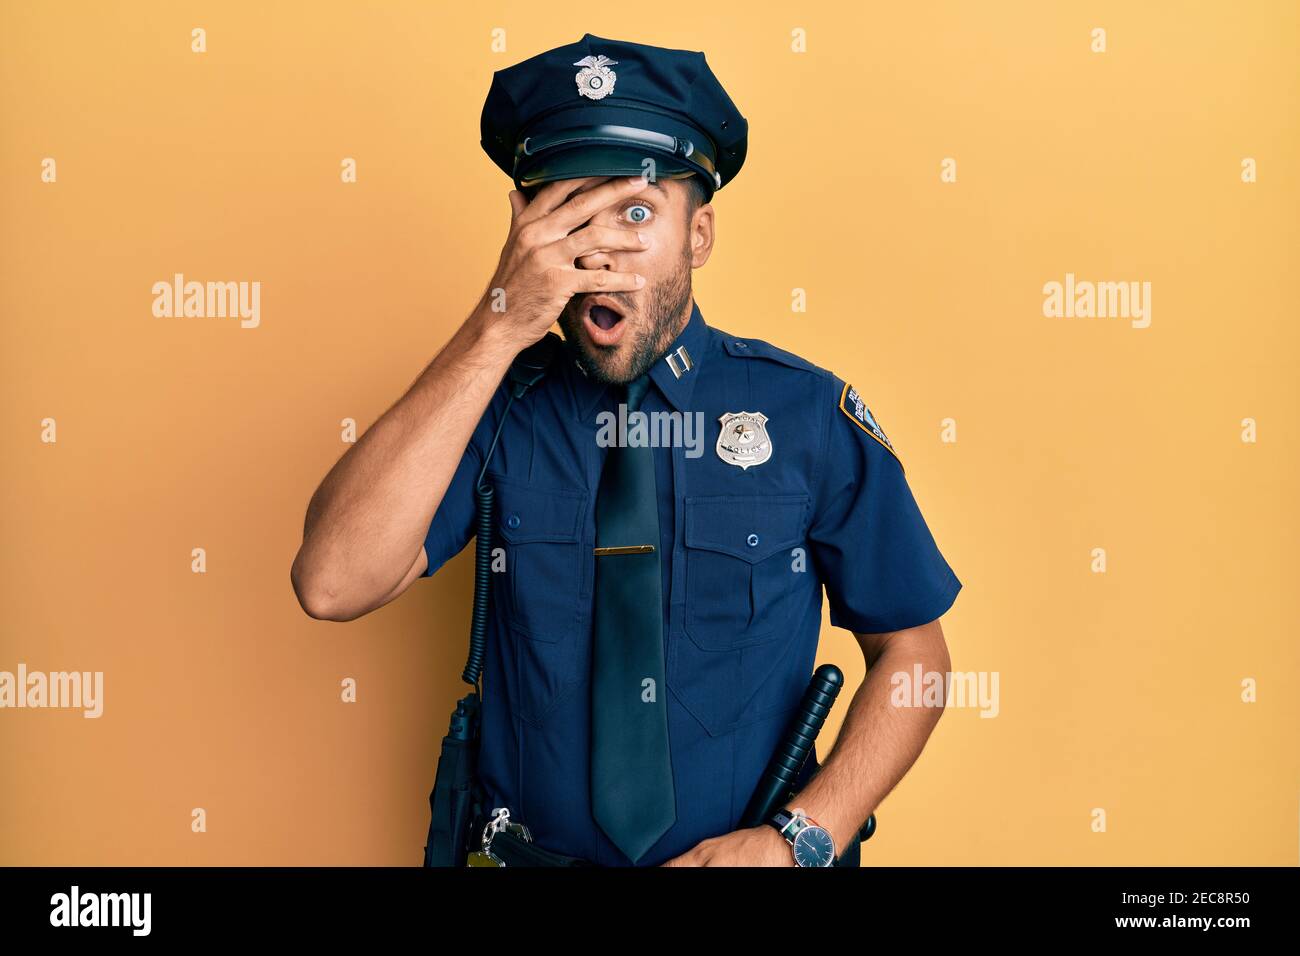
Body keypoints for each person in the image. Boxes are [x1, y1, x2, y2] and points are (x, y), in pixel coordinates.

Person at [290, 33, 962, 867]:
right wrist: (496, 325)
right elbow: (331, 582)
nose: (598, 248)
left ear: (699, 235)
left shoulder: (806, 411)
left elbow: (916, 653)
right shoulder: (487, 403)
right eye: (565, 211)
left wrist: (803, 837)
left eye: (636, 212)